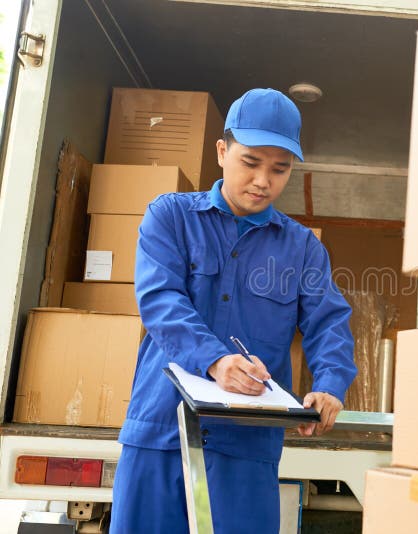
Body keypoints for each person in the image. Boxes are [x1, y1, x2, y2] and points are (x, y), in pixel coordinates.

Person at [110, 88, 357, 533]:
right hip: (161, 430)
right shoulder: (170, 217)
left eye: (279, 169)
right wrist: (216, 360)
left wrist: (331, 385)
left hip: (244, 447)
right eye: (251, 163)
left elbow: (328, 321)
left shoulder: (302, 249)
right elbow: (160, 301)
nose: (264, 180)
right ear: (222, 151)